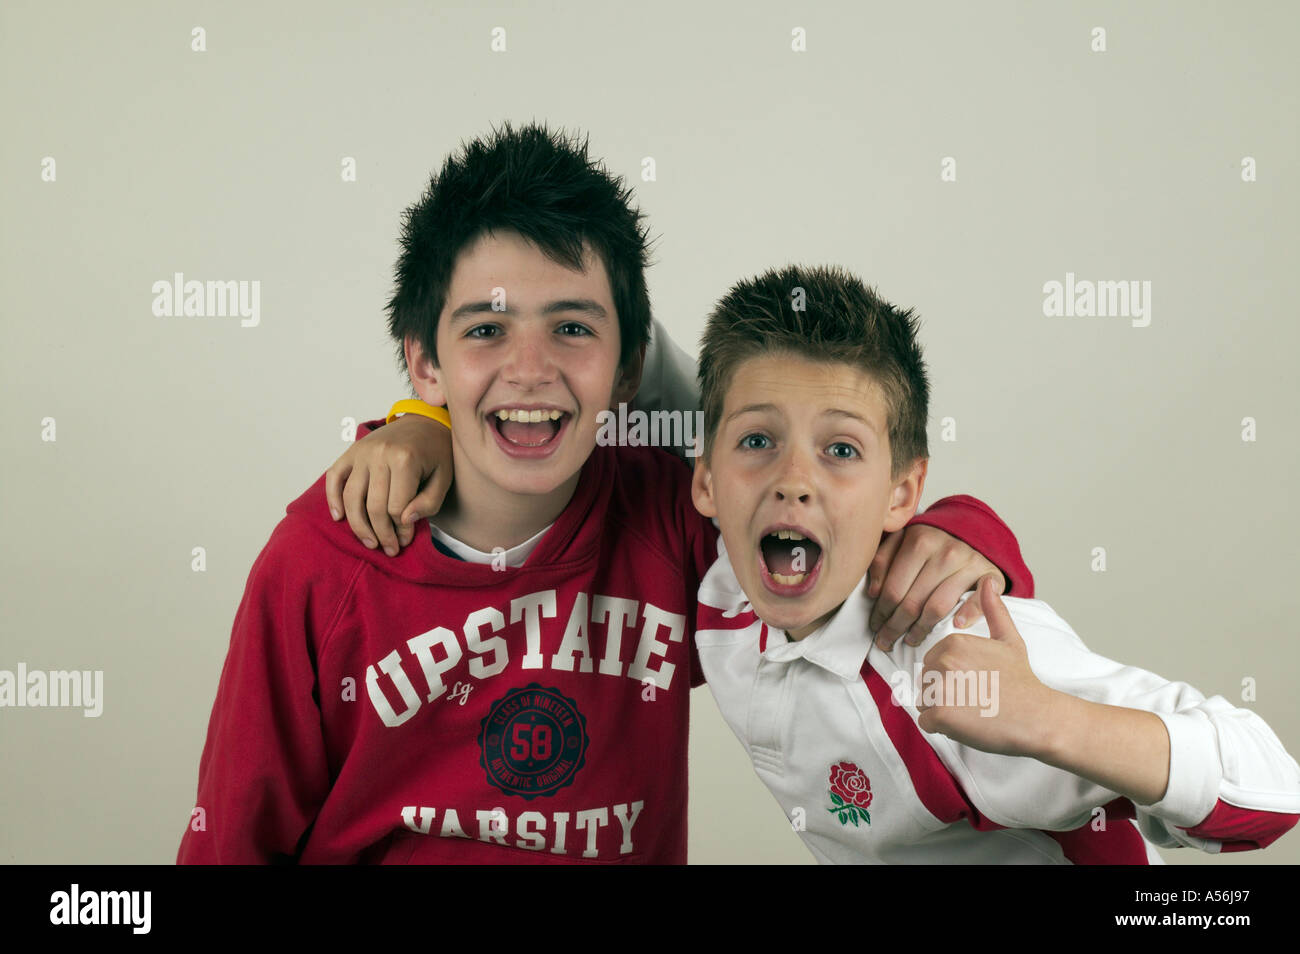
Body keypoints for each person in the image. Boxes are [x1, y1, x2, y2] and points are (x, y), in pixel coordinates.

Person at [178, 122, 1029, 863]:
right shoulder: (324, 560)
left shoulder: (672, 518)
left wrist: (964, 531)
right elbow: (232, 837)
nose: (531, 367)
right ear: (423, 363)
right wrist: (414, 422)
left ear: (629, 372)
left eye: (573, 328)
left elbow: (821, 512)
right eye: (485, 329)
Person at [686, 264, 1300, 862]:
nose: (794, 480)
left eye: (841, 449)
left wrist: (1046, 719)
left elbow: (1275, 788)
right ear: (707, 478)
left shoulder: (950, 648)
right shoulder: (717, 587)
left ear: (901, 494)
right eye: (758, 440)